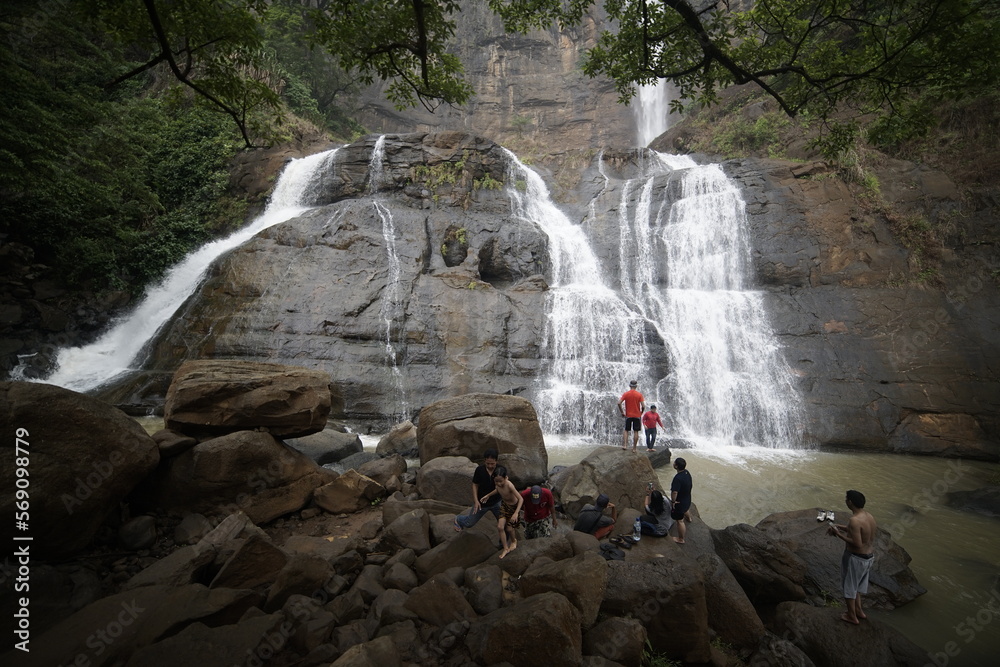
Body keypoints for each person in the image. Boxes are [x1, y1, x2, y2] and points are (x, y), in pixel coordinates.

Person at [828, 489, 877, 625]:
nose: (845, 500)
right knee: (857, 587)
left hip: (856, 558)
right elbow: (860, 531)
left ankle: (851, 616)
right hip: (868, 557)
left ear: (850, 502)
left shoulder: (854, 520)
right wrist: (838, 526)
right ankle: (859, 611)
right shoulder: (868, 516)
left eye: (846, 498)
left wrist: (837, 534)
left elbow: (857, 542)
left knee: (849, 587)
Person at [478, 465, 524, 558]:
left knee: (510, 529)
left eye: (501, 481)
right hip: (504, 506)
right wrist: (488, 495)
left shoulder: (509, 485)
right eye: (496, 481)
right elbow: (497, 490)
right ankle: (505, 548)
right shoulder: (498, 484)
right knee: (500, 527)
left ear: (506, 478)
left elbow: (521, 499)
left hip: (513, 508)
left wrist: (515, 513)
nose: (498, 483)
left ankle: (514, 541)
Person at [454, 448, 500, 531]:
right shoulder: (480, 470)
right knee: (469, 523)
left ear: (496, 461)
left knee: (504, 524)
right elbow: (475, 484)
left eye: (492, 464)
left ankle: (504, 543)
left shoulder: (501, 470)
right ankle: (458, 519)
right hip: (481, 502)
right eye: (488, 463)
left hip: (497, 501)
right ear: (484, 461)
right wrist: (476, 501)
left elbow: (502, 486)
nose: (490, 466)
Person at [617, 380, 646, 452]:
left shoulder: (626, 394)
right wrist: (641, 412)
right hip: (637, 415)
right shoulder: (639, 395)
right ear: (636, 386)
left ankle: (625, 445)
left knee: (626, 430)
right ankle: (634, 448)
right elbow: (643, 406)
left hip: (628, 415)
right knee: (636, 431)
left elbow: (619, 403)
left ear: (630, 386)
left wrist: (622, 412)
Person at [669, 457, 693, 544]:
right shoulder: (687, 472)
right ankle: (689, 518)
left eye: (674, 463)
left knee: (680, 520)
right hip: (687, 498)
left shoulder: (677, 478)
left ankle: (681, 539)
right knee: (686, 509)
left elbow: (674, 492)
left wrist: (673, 501)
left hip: (680, 502)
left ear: (676, 466)